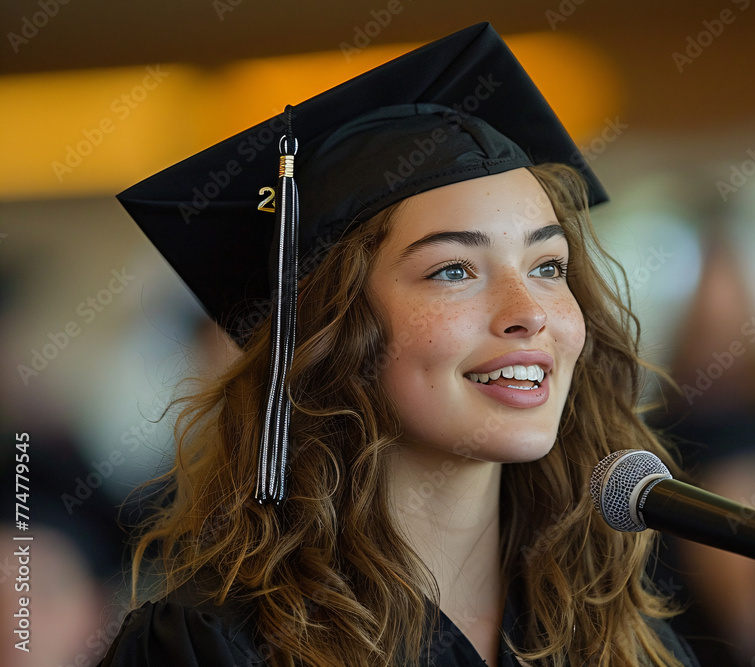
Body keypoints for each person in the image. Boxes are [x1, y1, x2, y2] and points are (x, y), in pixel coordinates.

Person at [99, 24, 698, 667]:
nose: (529, 314)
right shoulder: (217, 649)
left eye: (548, 266)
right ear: (335, 330)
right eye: (453, 271)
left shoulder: (627, 642)